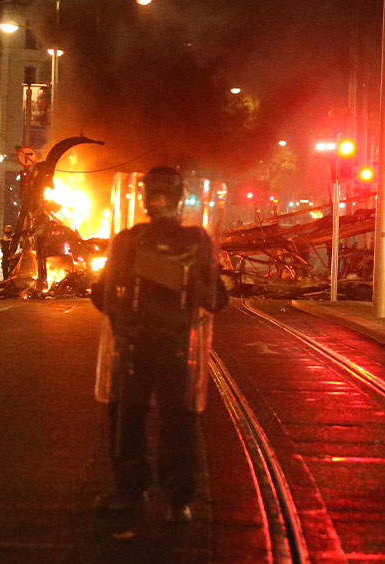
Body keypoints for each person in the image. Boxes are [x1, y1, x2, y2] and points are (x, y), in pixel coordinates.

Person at [91, 166, 229, 523]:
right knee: (177, 421)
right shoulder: (196, 241)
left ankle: (132, 491)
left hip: (136, 346)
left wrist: (125, 318)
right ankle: (178, 497)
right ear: (181, 198)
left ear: (145, 199)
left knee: (128, 417)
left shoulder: (129, 240)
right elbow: (217, 299)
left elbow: (103, 293)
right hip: (173, 346)